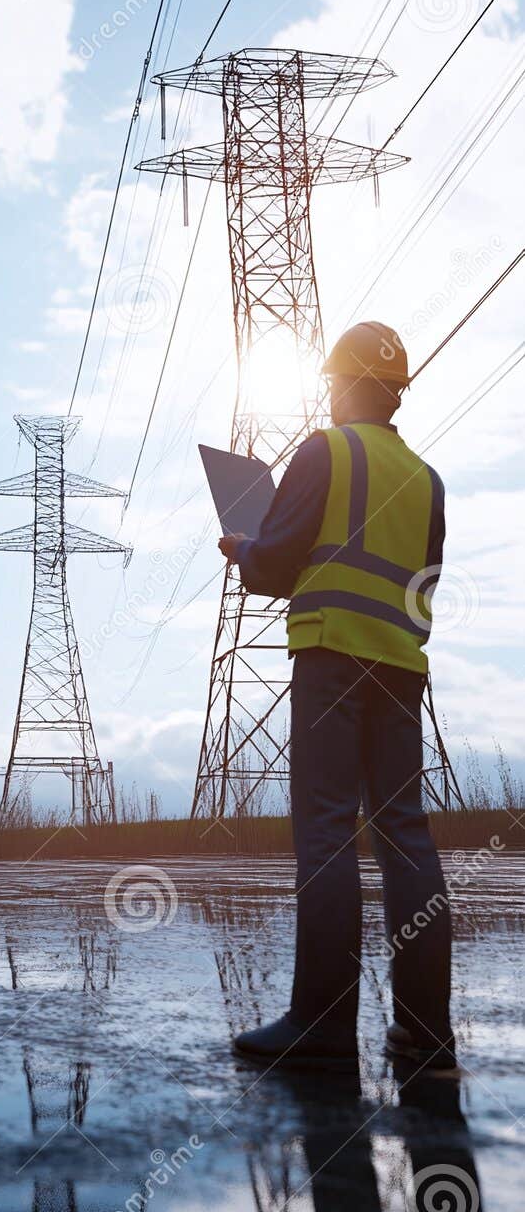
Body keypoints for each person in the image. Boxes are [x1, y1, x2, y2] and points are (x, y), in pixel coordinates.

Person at [219, 322, 456, 1073]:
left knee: (325, 830)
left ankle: (321, 1023)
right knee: (404, 834)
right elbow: (424, 580)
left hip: (330, 657)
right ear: (396, 391)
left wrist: (241, 548)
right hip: (400, 668)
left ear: (344, 384)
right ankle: (426, 1031)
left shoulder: (325, 452)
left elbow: (275, 563)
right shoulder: (426, 479)